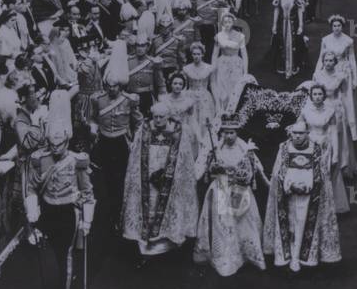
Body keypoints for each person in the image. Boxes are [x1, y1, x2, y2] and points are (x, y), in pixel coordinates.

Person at [25, 91, 94, 289]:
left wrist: (87, 220)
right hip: (48, 210)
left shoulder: (77, 160)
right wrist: (33, 208)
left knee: (66, 254)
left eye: (60, 144)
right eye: (52, 145)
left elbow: (87, 192)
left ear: (66, 141)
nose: (55, 149)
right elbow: (32, 187)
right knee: (53, 252)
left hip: (68, 212)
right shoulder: (39, 159)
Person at [122, 103, 198, 263]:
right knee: (148, 207)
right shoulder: (144, 130)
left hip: (171, 179)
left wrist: (174, 174)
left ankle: (166, 247)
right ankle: (146, 250)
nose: (157, 120)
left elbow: (186, 158)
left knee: (169, 209)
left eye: (161, 117)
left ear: (168, 116)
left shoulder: (179, 131)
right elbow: (135, 156)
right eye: (155, 116)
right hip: (147, 179)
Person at [194, 116, 268, 276]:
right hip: (220, 188)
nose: (228, 136)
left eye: (232, 132)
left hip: (240, 190)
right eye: (225, 133)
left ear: (237, 132)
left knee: (242, 222)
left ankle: (246, 255)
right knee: (222, 223)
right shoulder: (216, 150)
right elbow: (209, 171)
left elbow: (251, 172)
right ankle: (225, 257)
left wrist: (239, 176)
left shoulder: (245, 149)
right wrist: (215, 167)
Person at [263, 121, 341, 272]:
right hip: (288, 194)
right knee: (290, 224)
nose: (298, 136)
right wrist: (290, 185)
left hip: (308, 195)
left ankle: (300, 257)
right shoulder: (284, 148)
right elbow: (278, 172)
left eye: (301, 133)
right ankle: (289, 256)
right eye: (295, 133)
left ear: (307, 134)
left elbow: (321, 174)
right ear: (291, 133)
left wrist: (307, 186)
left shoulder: (316, 149)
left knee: (303, 224)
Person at [89, 40, 143, 232]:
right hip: (104, 142)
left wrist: (136, 140)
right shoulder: (98, 99)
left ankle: (121, 213)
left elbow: (138, 122)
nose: (111, 89)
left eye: (115, 87)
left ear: (120, 86)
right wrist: (93, 128)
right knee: (104, 180)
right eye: (109, 86)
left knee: (121, 179)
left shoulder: (130, 101)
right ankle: (107, 215)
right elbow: (93, 118)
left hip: (121, 142)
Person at [297, 82, 350, 213]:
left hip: (325, 146)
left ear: (324, 96)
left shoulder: (330, 112)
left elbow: (333, 134)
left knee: (324, 175)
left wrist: (336, 154)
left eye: (320, 94)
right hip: (309, 147)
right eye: (314, 94)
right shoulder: (305, 111)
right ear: (311, 96)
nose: (317, 97)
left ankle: (324, 205)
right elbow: (299, 129)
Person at [317, 15, 357, 140]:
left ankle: (349, 128)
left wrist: (355, 79)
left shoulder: (348, 41)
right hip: (329, 71)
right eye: (334, 26)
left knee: (346, 98)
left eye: (339, 26)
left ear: (342, 26)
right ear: (331, 27)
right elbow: (321, 58)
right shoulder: (325, 40)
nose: (337, 28)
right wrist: (317, 73)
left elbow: (352, 60)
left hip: (344, 70)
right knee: (330, 96)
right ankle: (328, 124)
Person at [210, 10, 250, 115]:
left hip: (236, 63)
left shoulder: (240, 36)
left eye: (229, 22)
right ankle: (222, 112)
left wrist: (245, 71)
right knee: (222, 87)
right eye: (225, 22)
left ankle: (234, 112)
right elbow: (214, 54)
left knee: (235, 86)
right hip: (222, 63)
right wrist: (213, 68)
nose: (227, 24)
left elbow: (244, 54)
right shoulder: (219, 36)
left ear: (233, 23)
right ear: (222, 23)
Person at [270, 0, 306, 79]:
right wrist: (274, 24)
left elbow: (300, 10)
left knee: (293, 44)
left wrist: (300, 25)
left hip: (292, 24)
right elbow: (276, 10)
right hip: (282, 24)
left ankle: (293, 65)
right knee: (281, 43)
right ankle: (282, 65)